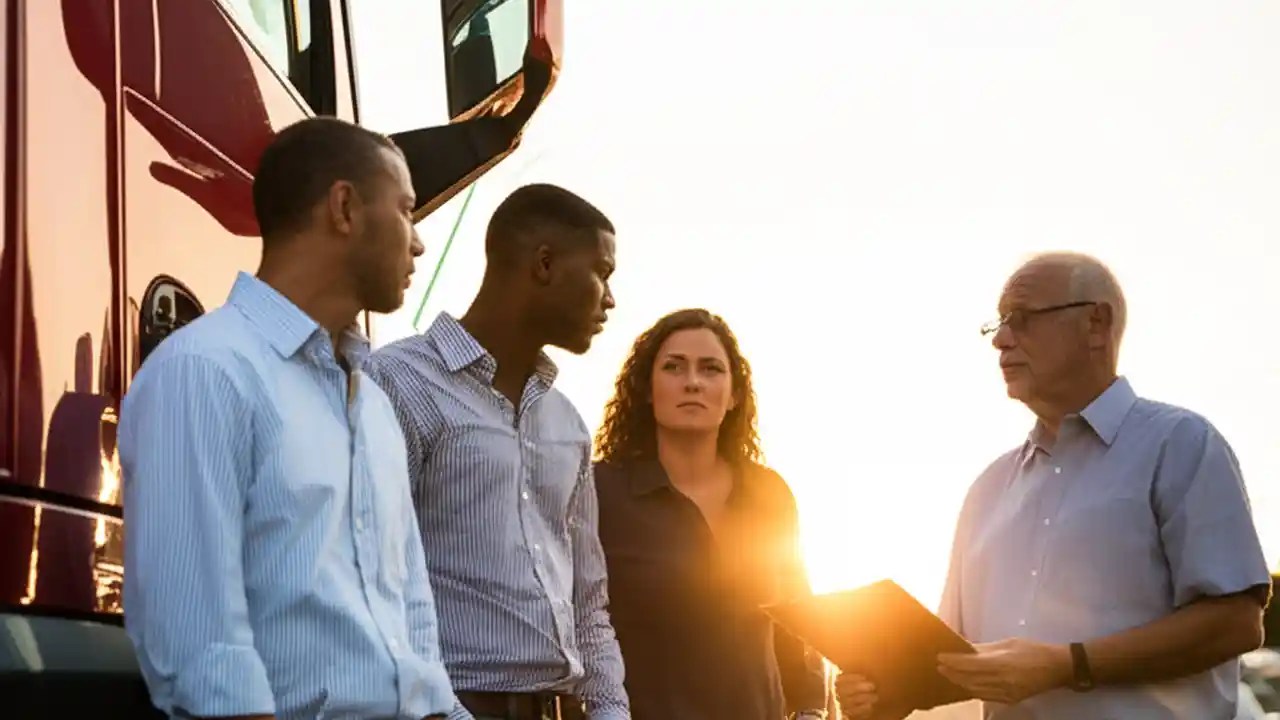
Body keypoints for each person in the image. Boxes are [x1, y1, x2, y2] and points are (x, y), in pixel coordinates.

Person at [120, 117, 455, 720]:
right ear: (345, 207)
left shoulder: (374, 405)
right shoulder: (205, 372)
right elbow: (205, 655)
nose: (419, 241)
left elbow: (416, 627)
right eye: (407, 210)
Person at [906, 251, 1269, 719]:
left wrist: (1066, 666)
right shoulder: (987, 488)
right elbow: (953, 661)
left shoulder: (1182, 445)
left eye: (1021, 318)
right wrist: (887, 690)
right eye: (998, 323)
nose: (1000, 339)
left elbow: (1234, 624)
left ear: (1096, 323)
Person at [365, 183, 627, 720]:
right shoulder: (397, 383)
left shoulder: (568, 424)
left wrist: (609, 713)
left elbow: (588, 603)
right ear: (545, 264)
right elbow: (370, 581)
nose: (610, 298)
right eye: (602, 271)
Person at [591, 308, 833, 720]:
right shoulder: (602, 492)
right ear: (646, 389)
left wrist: (812, 709)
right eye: (673, 367)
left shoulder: (769, 494)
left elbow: (798, 622)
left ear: (734, 394)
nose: (693, 382)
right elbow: (579, 625)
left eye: (711, 369)